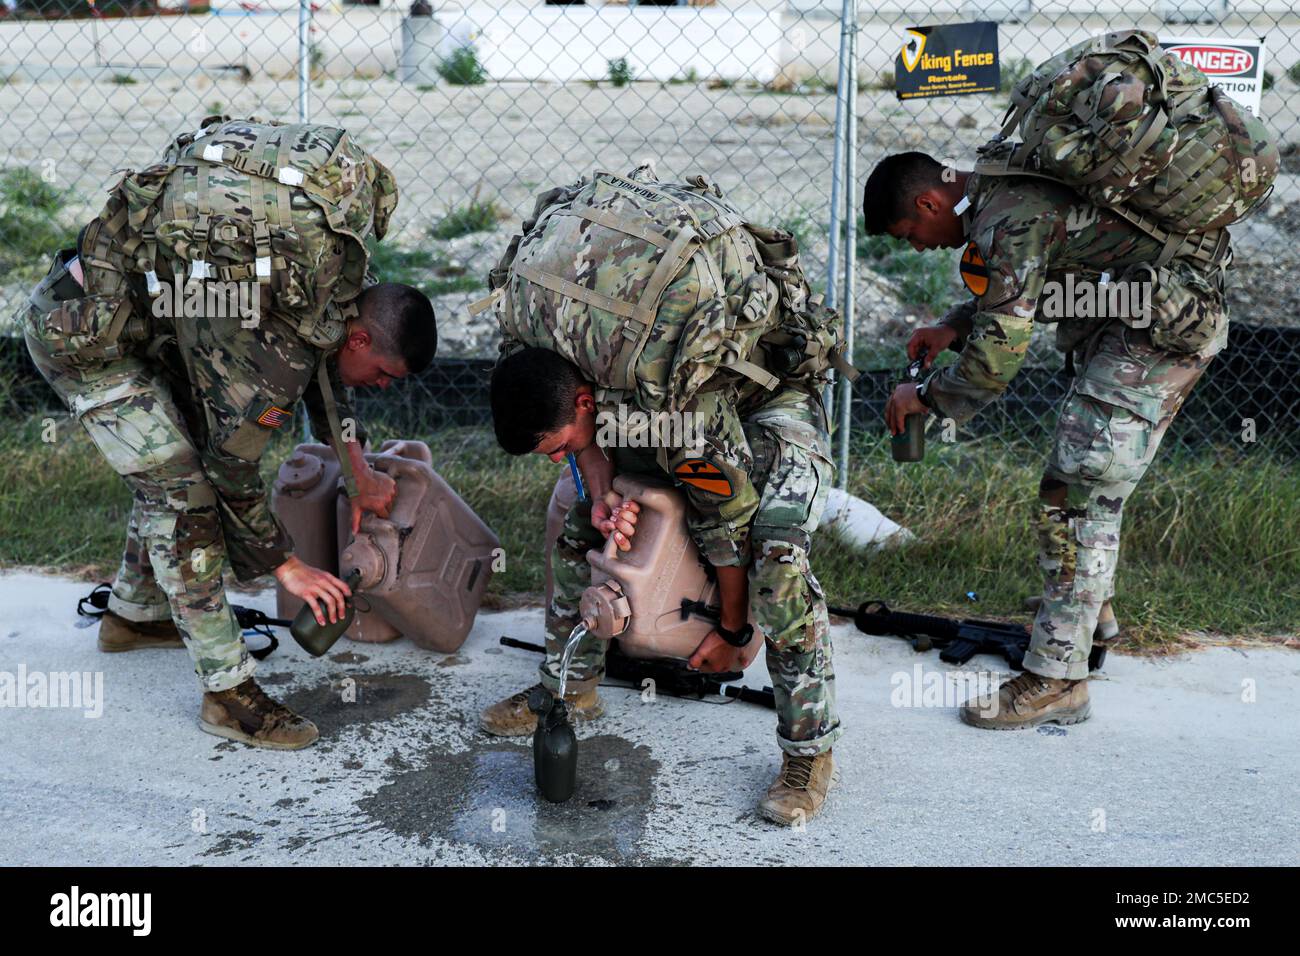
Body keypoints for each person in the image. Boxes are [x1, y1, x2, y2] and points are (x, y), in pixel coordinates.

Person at [20, 118, 436, 750]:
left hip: (146, 329)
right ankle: (228, 694)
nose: (382, 386)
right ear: (361, 337)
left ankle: (134, 617)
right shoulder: (273, 359)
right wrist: (287, 565)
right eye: (383, 373)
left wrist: (358, 474)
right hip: (85, 339)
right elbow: (231, 474)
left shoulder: (331, 278)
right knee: (183, 495)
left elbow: (330, 377)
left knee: (173, 468)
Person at [478, 167, 847, 824]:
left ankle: (808, 752)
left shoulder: (664, 379)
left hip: (763, 401)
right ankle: (572, 687)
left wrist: (734, 632)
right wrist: (598, 492)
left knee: (779, 559)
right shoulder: (535, 328)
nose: (563, 454)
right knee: (575, 526)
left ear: (586, 397)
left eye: (561, 443)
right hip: (644, 405)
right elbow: (588, 439)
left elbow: (723, 515)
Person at [865, 151, 1229, 729]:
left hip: (1159, 326)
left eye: (910, 233)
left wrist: (927, 398)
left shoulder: (1004, 216)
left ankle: (1058, 679)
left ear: (928, 202)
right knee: (1079, 482)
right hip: (1135, 315)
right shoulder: (995, 185)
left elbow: (993, 364)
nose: (917, 247)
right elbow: (1024, 284)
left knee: (1078, 489)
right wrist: (955, 325)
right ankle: (1086, 613)